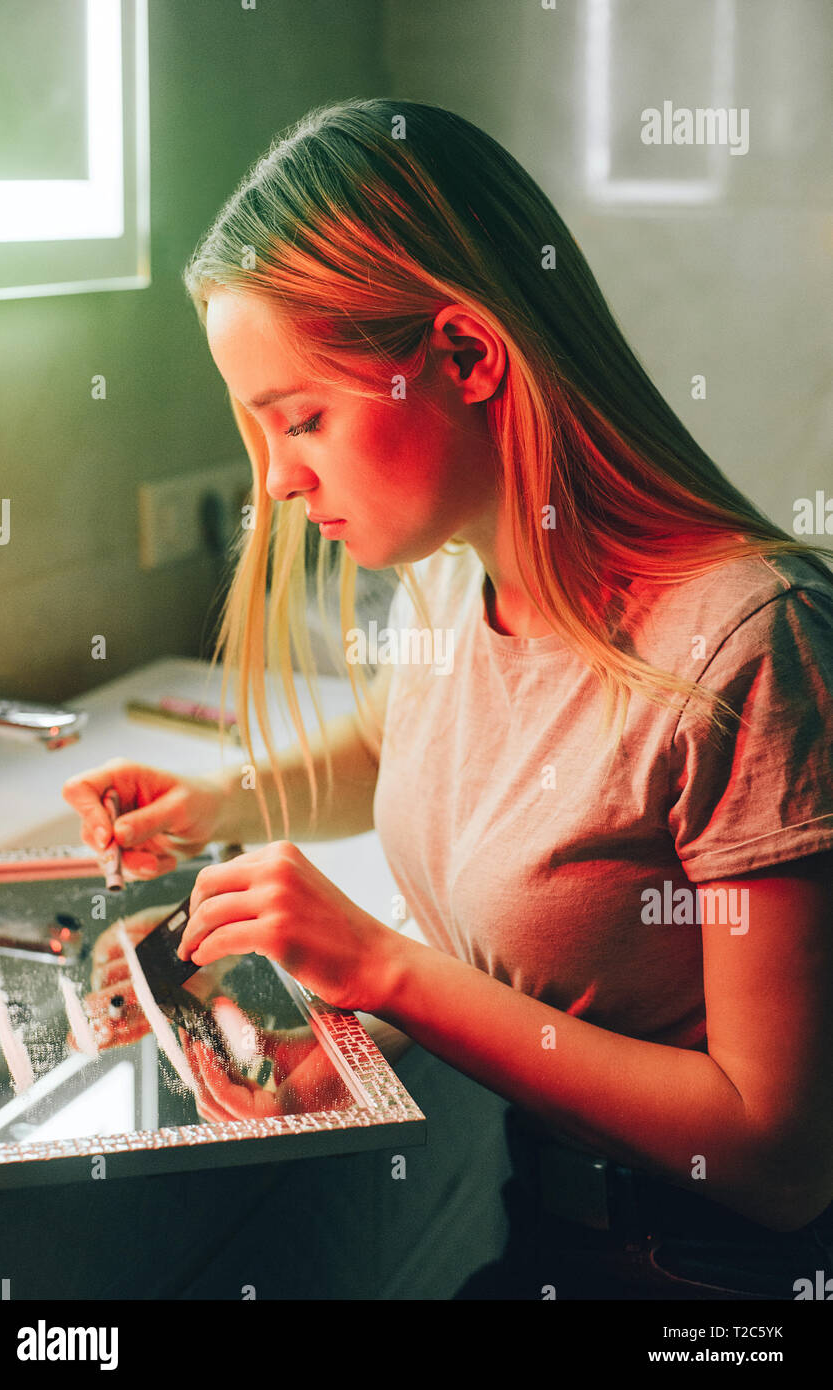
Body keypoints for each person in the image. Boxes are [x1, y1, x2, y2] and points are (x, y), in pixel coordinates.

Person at [55, 96, 833, 1300]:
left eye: (301, 418)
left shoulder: (749, 644)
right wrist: (217, 800)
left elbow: (773, 1154)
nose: (275, 480)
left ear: (466, 359)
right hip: (550, 1234)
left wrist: (382, 968)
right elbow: (425, 748)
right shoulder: (453, 577)